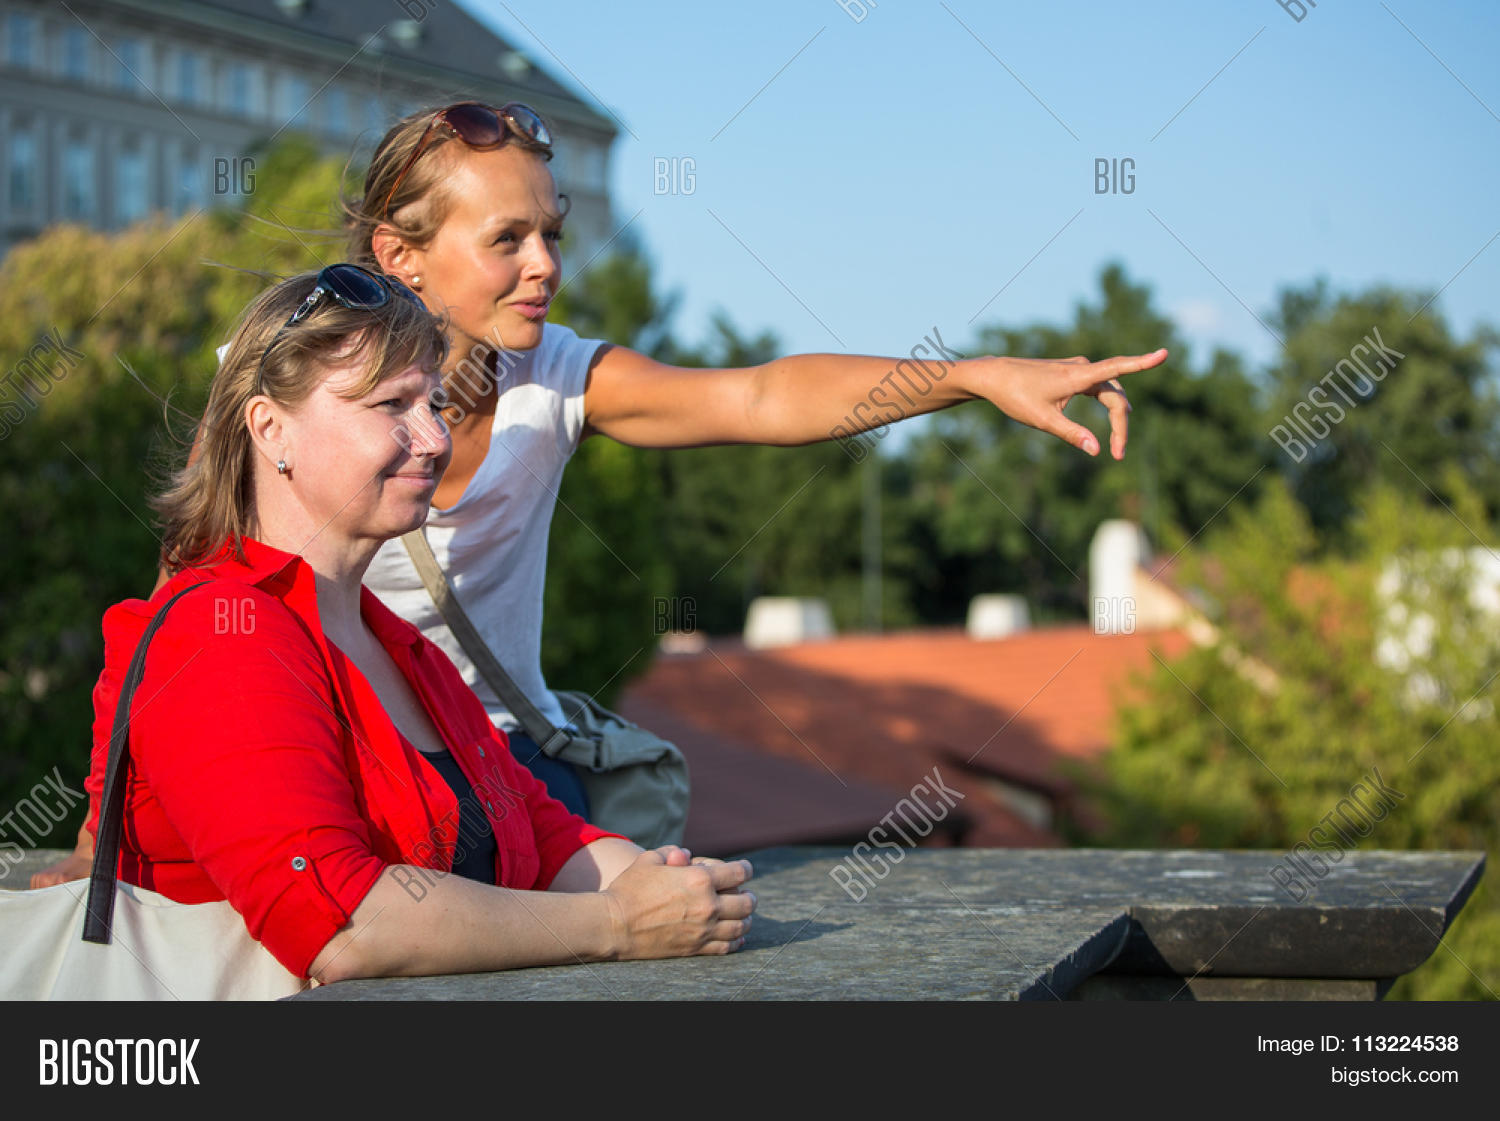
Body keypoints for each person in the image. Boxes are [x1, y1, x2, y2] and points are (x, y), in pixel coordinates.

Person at [33, 100, 1167, 887]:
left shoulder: (555, 373)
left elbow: (763, 398)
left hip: (497, 776)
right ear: (402, 254)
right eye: (508, 238)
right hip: (343, 768)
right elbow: (185, 597)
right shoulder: (306, 387)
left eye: (551, 234)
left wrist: (967, 376)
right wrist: (102, 825)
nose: (546, 265)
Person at [74, 267, 754, 983]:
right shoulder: (222, 631)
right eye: (392, 403)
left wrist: (676, 887)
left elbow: (540, 832)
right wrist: (616, 924)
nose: (434, 439)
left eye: (432, 401)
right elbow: (341, 923)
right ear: (272, 428)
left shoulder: (402, 648)